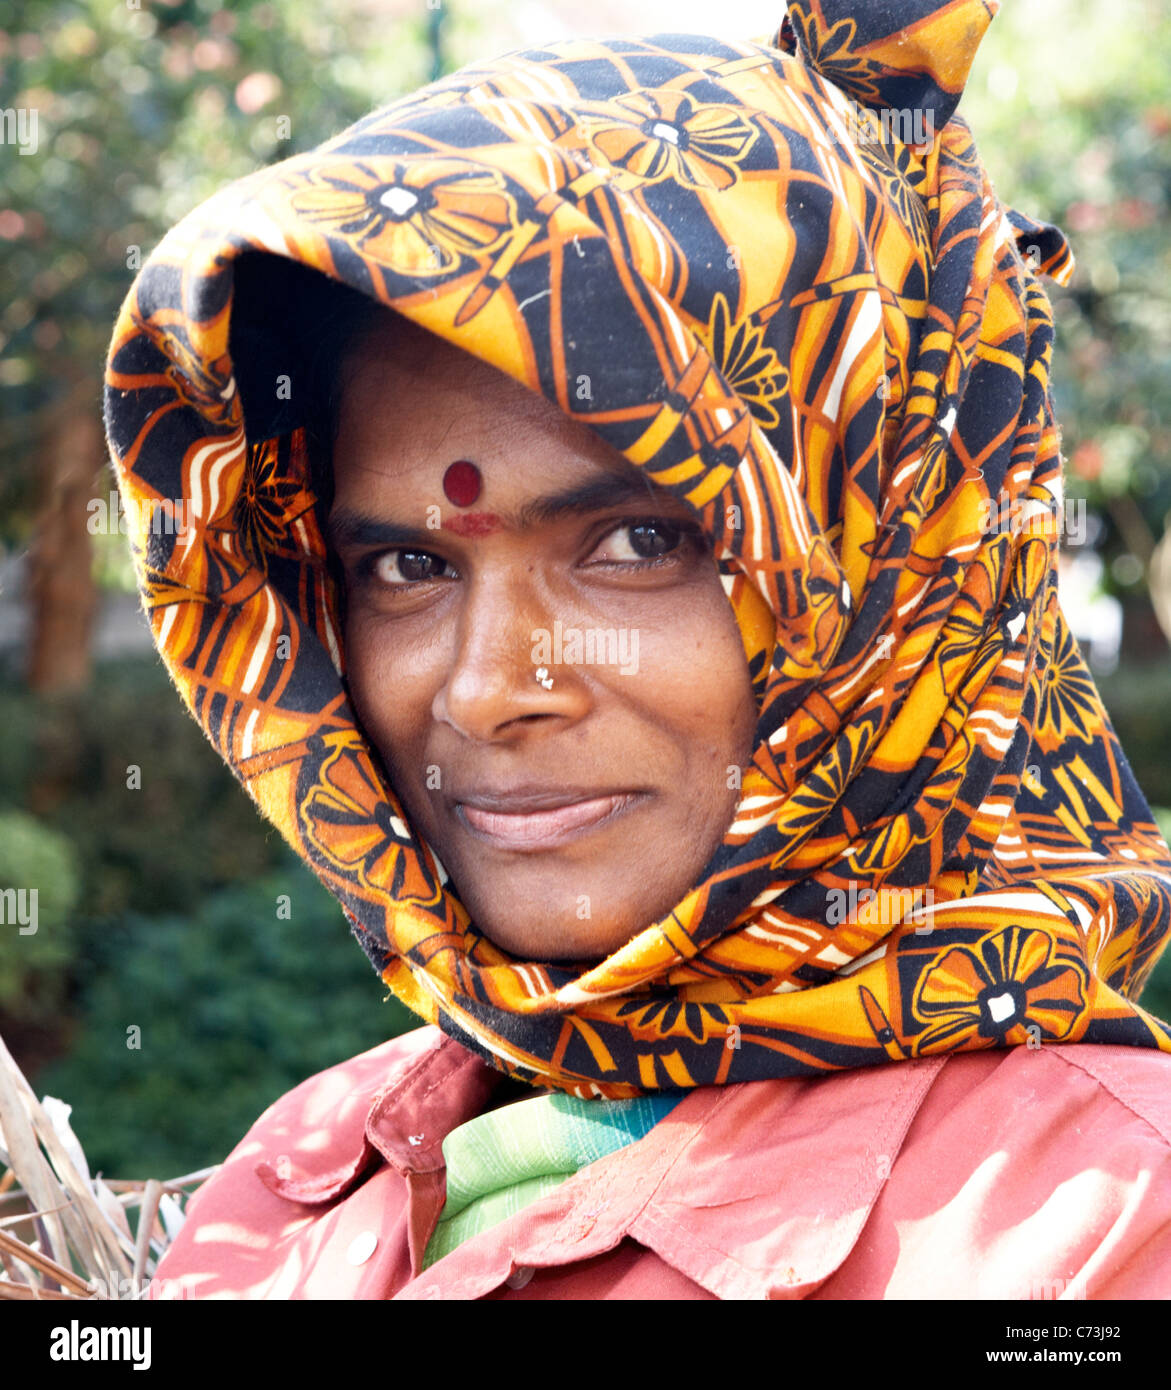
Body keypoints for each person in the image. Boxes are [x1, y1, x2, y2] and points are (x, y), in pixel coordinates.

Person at [103, 0, 1171, 1299]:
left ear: (901, 578)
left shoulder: (1099, 1227)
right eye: (408, 565)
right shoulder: (306, 1173)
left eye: (636, 543)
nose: (489, 689)